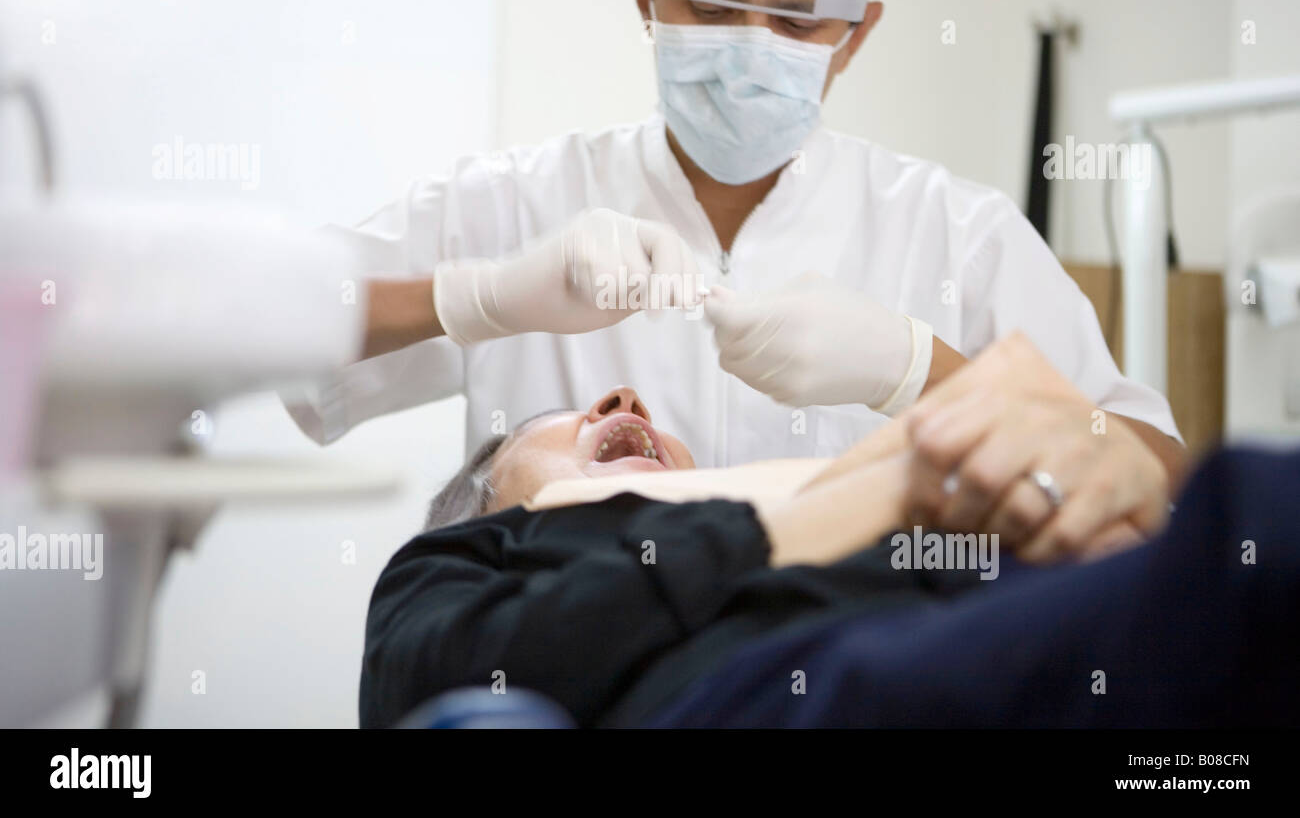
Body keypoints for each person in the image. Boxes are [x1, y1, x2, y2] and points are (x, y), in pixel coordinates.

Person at [286, 0, 1183, 547]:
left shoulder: (960, 238)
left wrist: (916, 370)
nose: (751, 49)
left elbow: (1161, 480)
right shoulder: (514, 203)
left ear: (854, 37)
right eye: (713, 5)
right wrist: (476, 297)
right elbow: (265, 335)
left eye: (796, 22)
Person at [356, 333, 1278, 730]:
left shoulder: (880, 528)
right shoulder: (464, 560)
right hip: (773, 702)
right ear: (487, 514)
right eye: (547, 423)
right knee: (1249, 556)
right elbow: (440, 681)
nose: (623, 399)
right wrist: (871, 489)